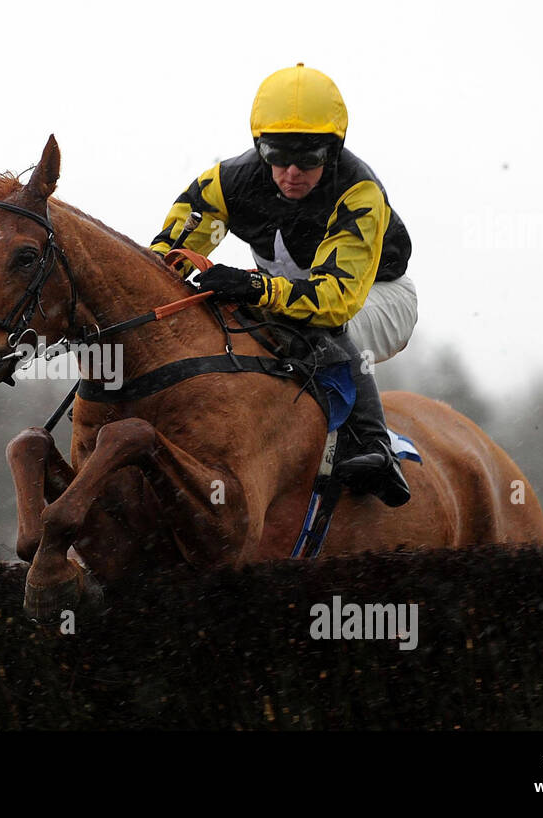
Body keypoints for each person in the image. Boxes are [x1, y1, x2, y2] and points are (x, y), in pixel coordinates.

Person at [150, 64, 415, 506]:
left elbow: (335, 302)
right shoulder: (226, 182)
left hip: (377, 296)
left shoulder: (359, 190)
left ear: (332, 152)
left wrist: (256, 288)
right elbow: (167, 257)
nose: (291, 172)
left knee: (314, 325)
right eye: (276, 156)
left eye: (308, 159)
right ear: (259, 148)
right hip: (294, 291)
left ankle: (373, 447)